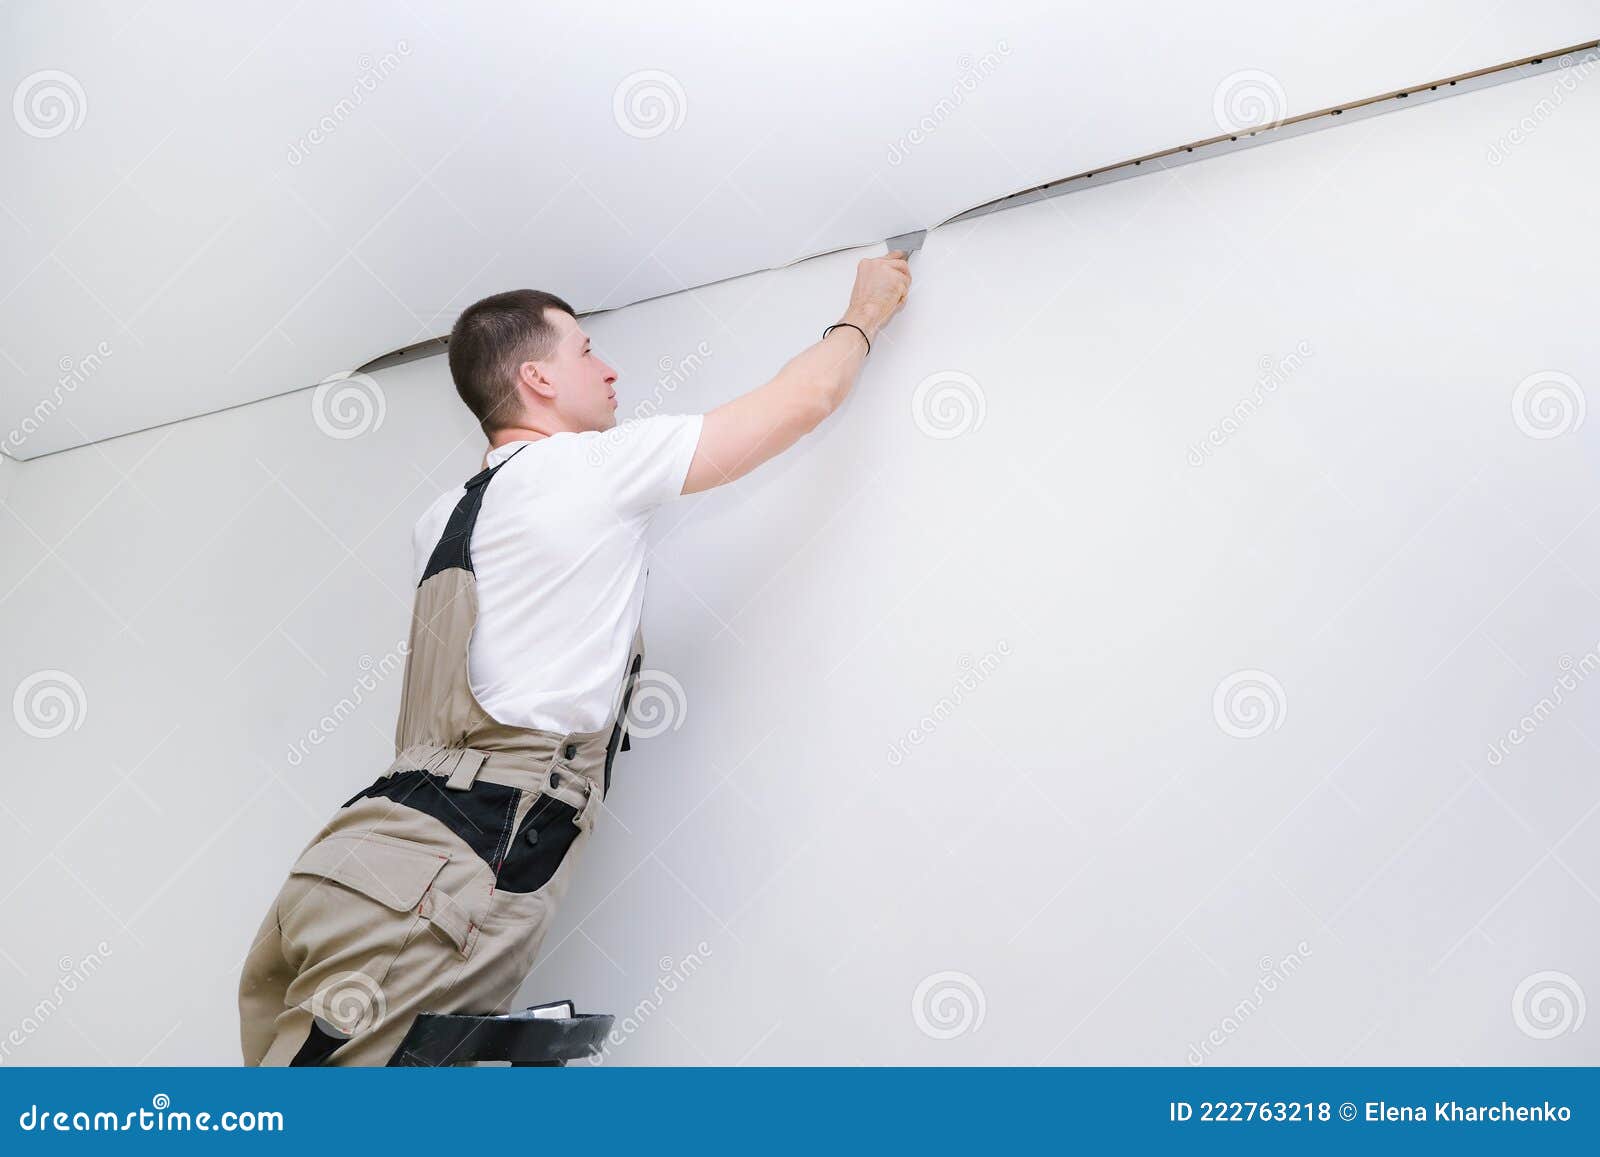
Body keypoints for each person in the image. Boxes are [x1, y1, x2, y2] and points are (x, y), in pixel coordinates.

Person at [237, 249, 913, 1065]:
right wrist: (865, 311)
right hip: (444, 868)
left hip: (347, 862)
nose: (611, 369)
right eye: (587, 351)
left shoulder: (444, 514)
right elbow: (806, 399)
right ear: (539, 379)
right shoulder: (584, 469)